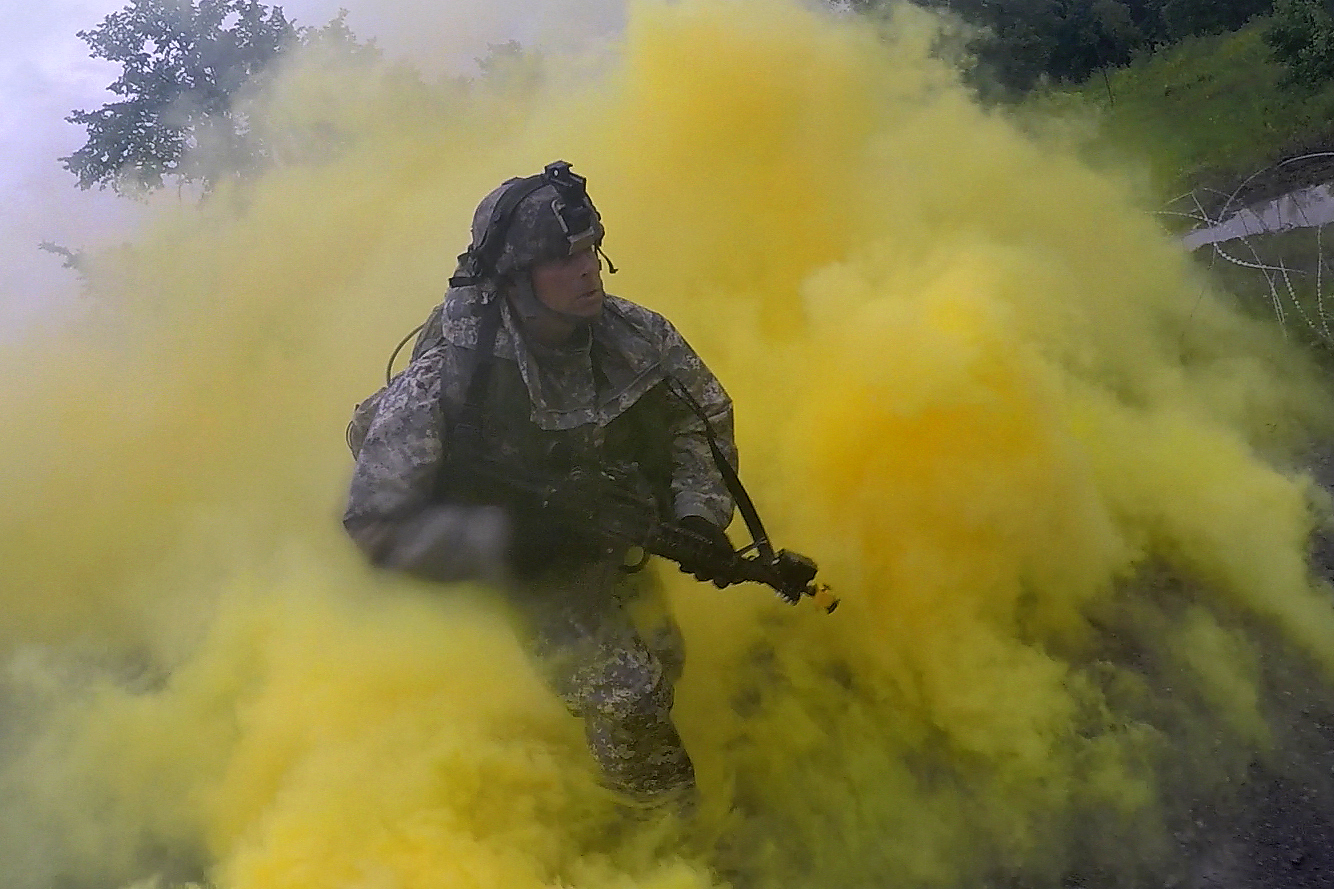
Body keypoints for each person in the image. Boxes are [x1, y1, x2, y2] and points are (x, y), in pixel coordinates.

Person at [343, 161, 737, 806]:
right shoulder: (454, 379)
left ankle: (581, 762)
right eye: (561, 259)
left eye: (589, 250)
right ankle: (656, 836)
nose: (586, 270)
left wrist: (697, 517)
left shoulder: (634, 337)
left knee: (664, 662)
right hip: (516, 552)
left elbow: (704, 420)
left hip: (608, 525)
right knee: (628, 695)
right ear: (515, 278)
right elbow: (376, 519)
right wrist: (502, 546)